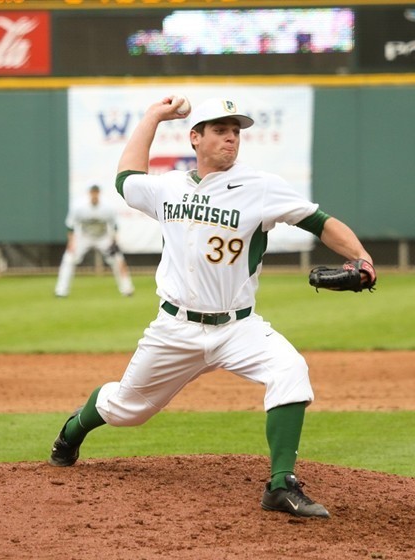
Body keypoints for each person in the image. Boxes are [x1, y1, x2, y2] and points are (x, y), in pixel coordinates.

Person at [47, 96, 376, 519]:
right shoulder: (167, 187)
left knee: (289, 370)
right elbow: (126, 179)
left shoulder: (260, 186)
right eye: (220, 130)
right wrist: (152, 116)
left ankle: (280, 485)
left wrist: (363, 258)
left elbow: (320, 221)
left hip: (238, 327)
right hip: (175, 328)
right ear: (195, 137)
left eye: (236, 131)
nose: (231, 138)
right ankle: (73, 431)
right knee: (126, 410)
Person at [54, 184, 135, 298]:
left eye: (96, 192)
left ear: (99, 193)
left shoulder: (107, 207)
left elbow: (115, 226)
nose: (94, 194)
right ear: (89, 193)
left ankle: (127, 289)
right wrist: (71, 243)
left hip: (103, 237)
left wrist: (114, 241)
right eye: (92, 192)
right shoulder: (79, 206)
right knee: (68, 259)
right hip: (84, 236)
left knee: (118, 259)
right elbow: (70, 226)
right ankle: (61, 290)